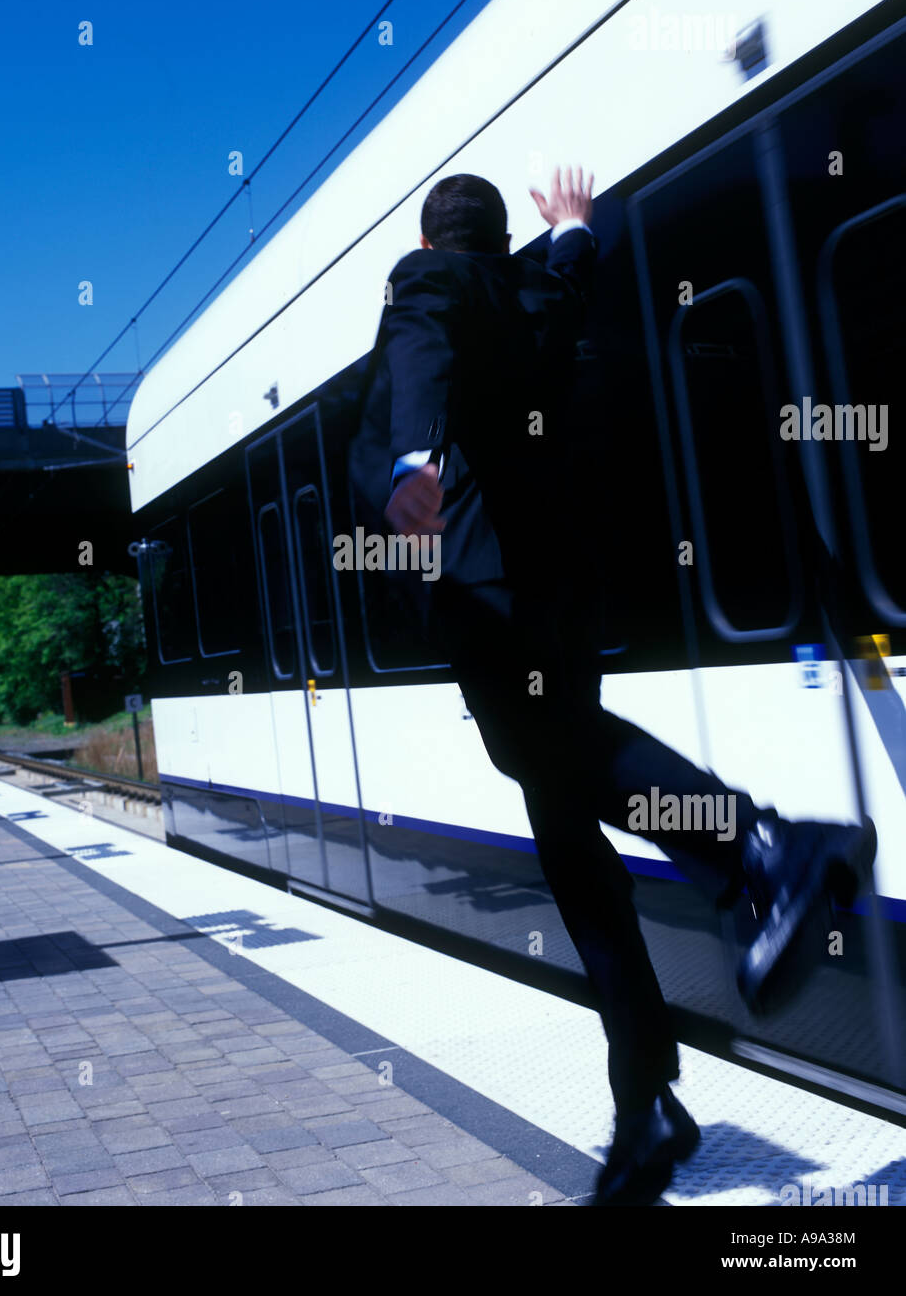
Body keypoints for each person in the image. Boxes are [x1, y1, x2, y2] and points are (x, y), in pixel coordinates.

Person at [347, 167, 877, 1207]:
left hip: (491, 593)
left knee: (548, 756)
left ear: (431, 239)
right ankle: (643, 1104)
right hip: (553, 596)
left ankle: (762, 848)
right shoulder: (534, 287)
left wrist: (411, 457)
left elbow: (418, 347)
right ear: (500, 239)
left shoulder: (431, 283)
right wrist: (574, 233)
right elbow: (560, 278)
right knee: (571, 844)